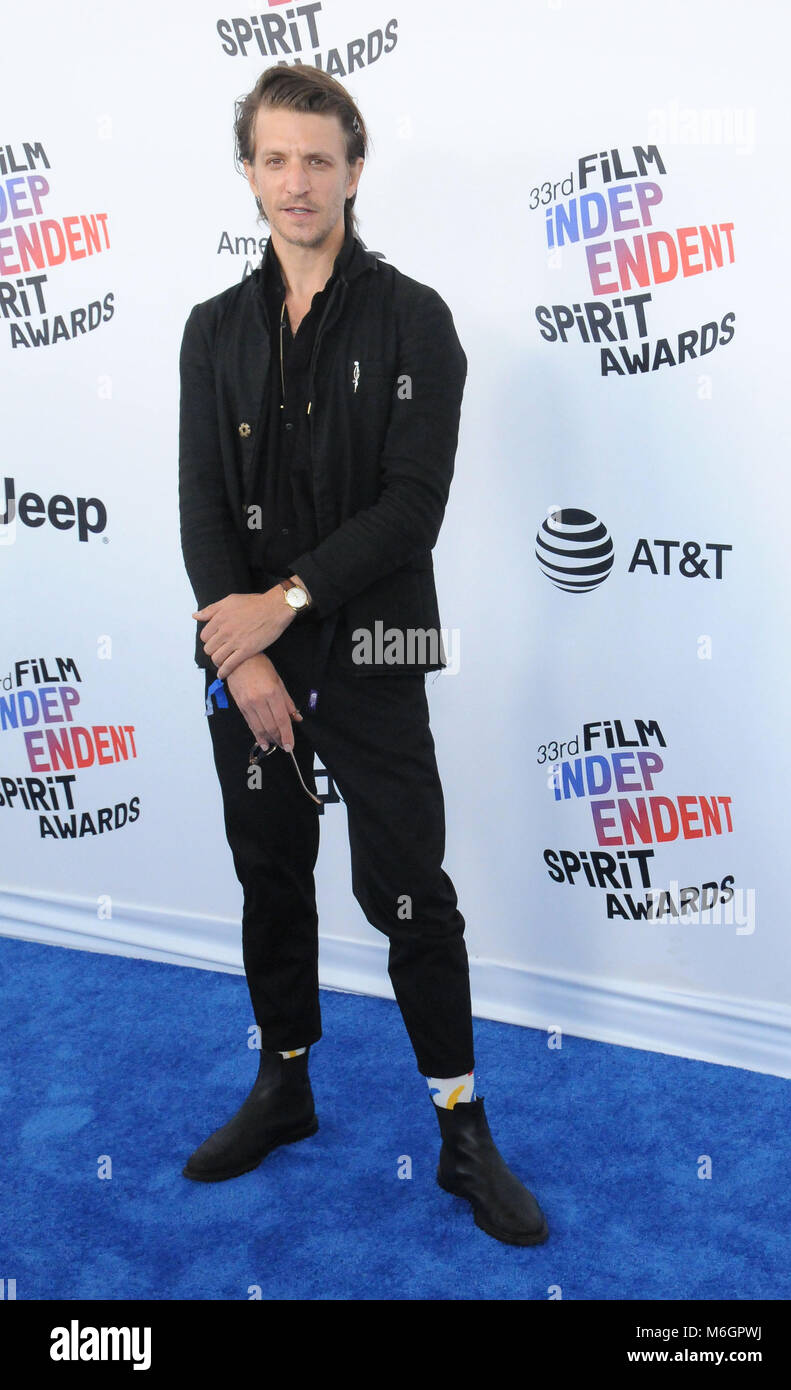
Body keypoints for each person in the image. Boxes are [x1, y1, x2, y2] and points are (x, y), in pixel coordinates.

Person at [177, 63, 547, 1247]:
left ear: (352, 170)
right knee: (269, 878)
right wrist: (240, 653)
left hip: (374, 650)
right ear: (248, 171)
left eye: (317, 160)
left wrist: (282, 604)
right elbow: (198, 508)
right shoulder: (211, 331)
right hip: (247, 664)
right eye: (274, 159)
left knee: (408, 896)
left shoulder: (412, 319)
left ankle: (460, 1132)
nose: (296, 182)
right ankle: (284, 1087)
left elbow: (411, 508)